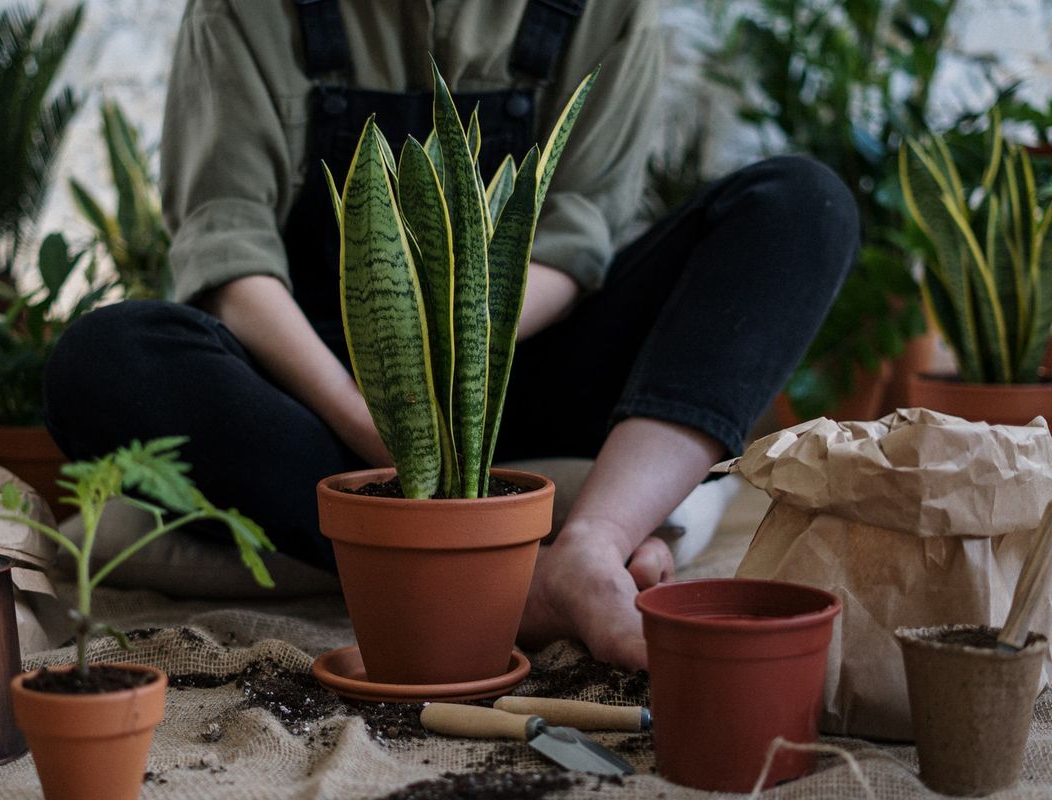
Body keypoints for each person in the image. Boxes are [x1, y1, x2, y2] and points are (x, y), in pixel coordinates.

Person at [45, 0, 859, 670]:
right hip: (324, 401)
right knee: (106, 358)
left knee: (801, 205)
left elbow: (575, 238)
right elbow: (230, 253)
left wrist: (465, 362)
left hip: (522, 362)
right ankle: (509, 575)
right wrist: (382, 422)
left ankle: (592, 544)